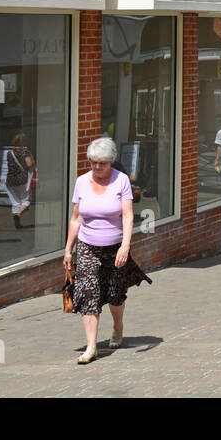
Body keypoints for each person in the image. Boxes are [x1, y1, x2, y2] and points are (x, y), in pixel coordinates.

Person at [64, 137, 151, 364]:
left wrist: (125, 245)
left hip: (114, 247)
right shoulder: (82, 182)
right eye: (93, 162)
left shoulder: (121, 180)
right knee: (88, 293)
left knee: (115, 294)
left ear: (110, 162)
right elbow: (76, 218)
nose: (97, 167)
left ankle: (117, 326)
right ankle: (91, 347)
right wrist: (67, 250)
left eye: (102, 163)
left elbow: (128, 215)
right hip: (87, 246)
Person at [5, 132, 35, 229]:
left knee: (15, 202)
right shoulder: (25, 151)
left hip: (10, 180)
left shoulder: (10, 153)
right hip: (23, 179)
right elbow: (29, 164)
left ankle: (17, 222)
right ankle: (18, 214)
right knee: (26, 200)